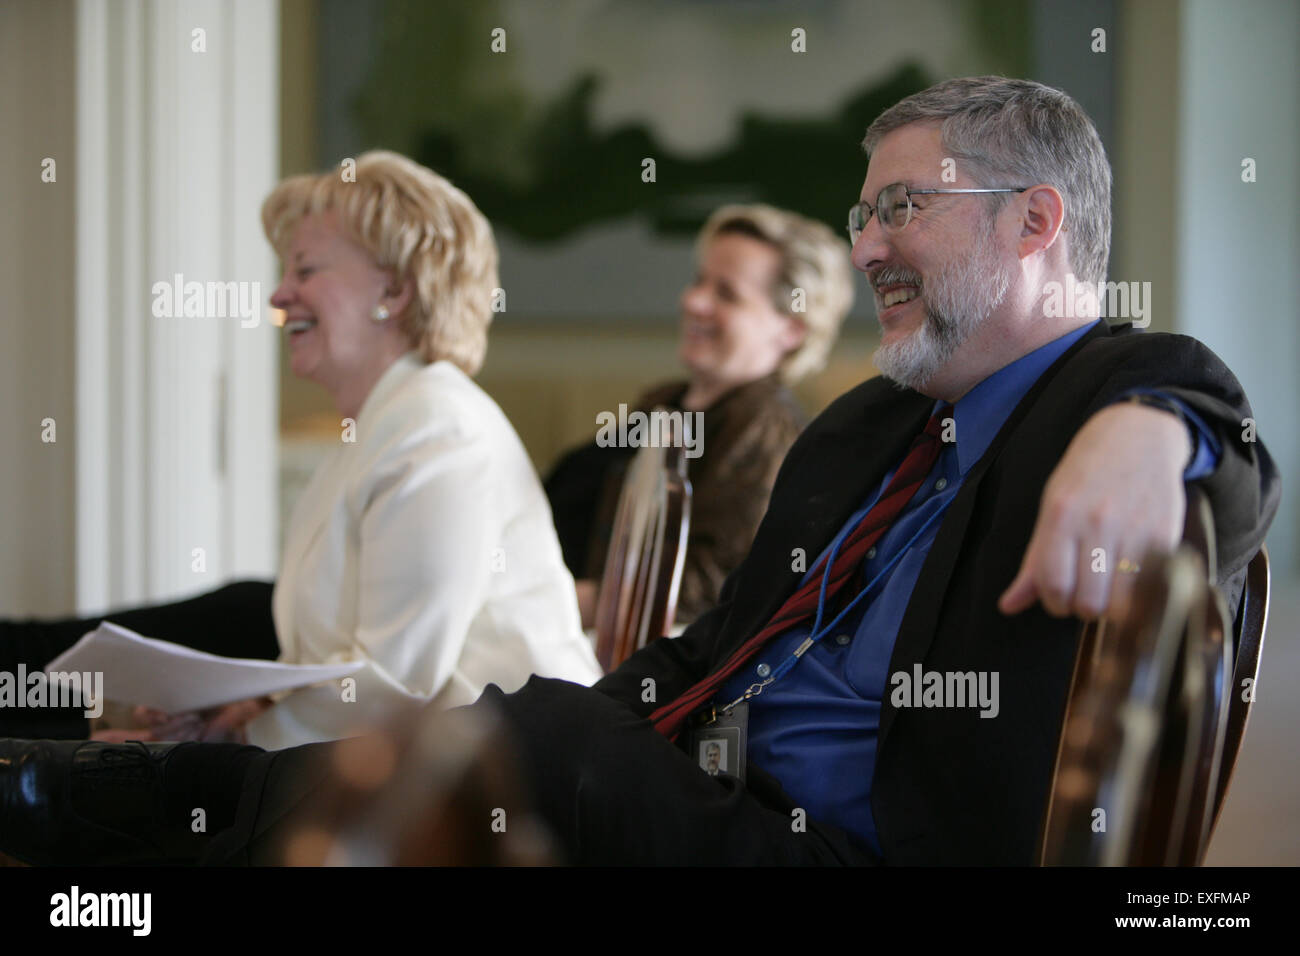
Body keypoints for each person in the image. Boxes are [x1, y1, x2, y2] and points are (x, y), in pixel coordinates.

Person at [0, 78, 1280, 867]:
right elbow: (712, 642)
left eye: (904, 207)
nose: (869, 242)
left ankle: (115, 809)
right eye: (864, 211)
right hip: (714, 787)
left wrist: (1158, 424)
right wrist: (597, 708)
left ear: (1035, 220)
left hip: (856, 850)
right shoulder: (862, 428)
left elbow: (1234, 454)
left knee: (522, 747)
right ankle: (128, 802)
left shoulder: (1127, 407)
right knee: (513, 736)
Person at [0, 151, 600, 751]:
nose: (280, 295)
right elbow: (344, 672)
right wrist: (241, 714)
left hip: (492, 796)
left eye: (306, 270)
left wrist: (244, 736)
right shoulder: (379, 426)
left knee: (79, 781)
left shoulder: (437, 426)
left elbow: (397, 684)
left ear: (393, 288)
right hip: (404, 778)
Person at [544, 204, 853, 624]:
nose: (693, 301)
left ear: (791, 330)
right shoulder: (666, 404)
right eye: (698, 282)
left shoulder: (765, 430)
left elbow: (712, 590)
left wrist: (554, 601)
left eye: (726, 293)